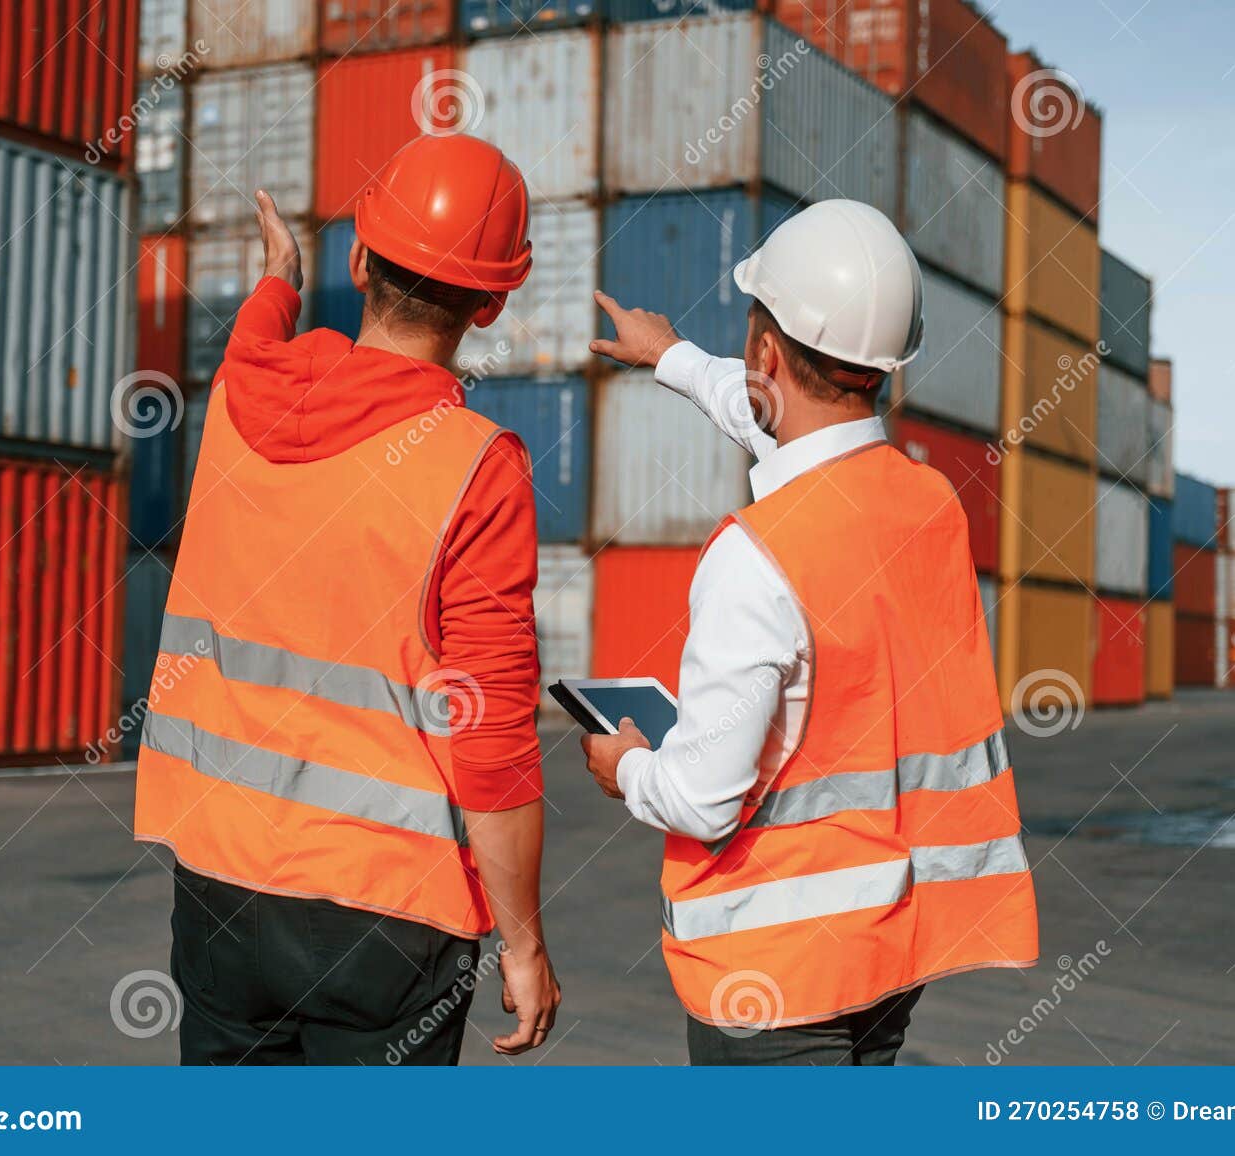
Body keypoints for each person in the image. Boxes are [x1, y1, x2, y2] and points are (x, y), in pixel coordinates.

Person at [581, 200, 1038, 1066]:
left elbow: (706, 801)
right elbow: (784, 424)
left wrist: (628, 767)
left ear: (765, 354)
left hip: (776, 974)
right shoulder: (930, 506)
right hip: (893, 947)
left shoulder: (758, 558)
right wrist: (672, 359)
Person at [134, 134, 559, 1065]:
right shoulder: (477, 468)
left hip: (220, 889)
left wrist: (282, 277)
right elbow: (490, 742)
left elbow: (257, 332)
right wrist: (523, 944)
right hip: (386, 923)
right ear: (492, 303)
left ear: (359, 260)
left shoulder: (245, 389)